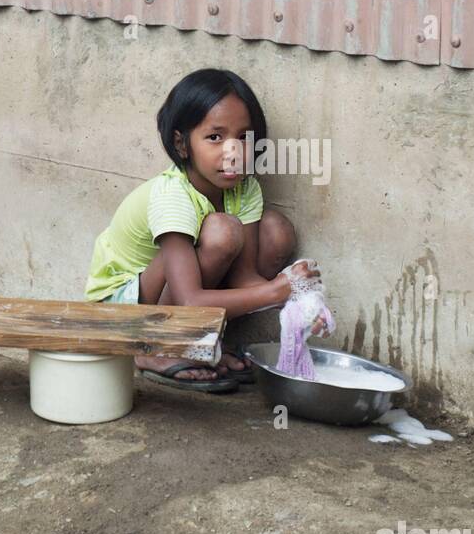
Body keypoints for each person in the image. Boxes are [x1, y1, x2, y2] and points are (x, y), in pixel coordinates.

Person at [84, 67, 325, 393]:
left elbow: (245, 279)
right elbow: (190, 297)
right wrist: (277, 290)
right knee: (222, 231)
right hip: (122, 309)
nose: (233, 152)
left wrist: (299, 304)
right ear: (182, 144)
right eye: (215, 137)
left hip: (178, 298)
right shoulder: (173, 195)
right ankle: (159, 348)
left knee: (275, 230)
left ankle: (197, 341)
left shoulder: (245, 189)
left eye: (244, 138)